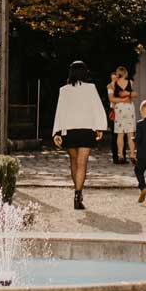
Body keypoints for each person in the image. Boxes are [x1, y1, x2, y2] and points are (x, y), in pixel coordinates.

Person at [52, 60, 108, 211]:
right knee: (82, 163)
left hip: (69, 130)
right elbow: (97, 107)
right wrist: (99, 127)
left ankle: (77, 191)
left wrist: (56, 133)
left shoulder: (64, 90)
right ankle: (78, 194)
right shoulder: (91, 88)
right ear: (85, 72)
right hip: (86, 130)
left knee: (74, 161)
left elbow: (60, 111)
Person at [110, 68, 135, 166]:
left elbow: (112, 98)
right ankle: (132, 154)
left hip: (119, 108)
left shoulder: (113, 84)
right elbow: (132, 95)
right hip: (129, 107)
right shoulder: (130, 82)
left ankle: (121, 155)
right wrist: (128, 96)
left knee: (120, 133)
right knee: (130, 133)